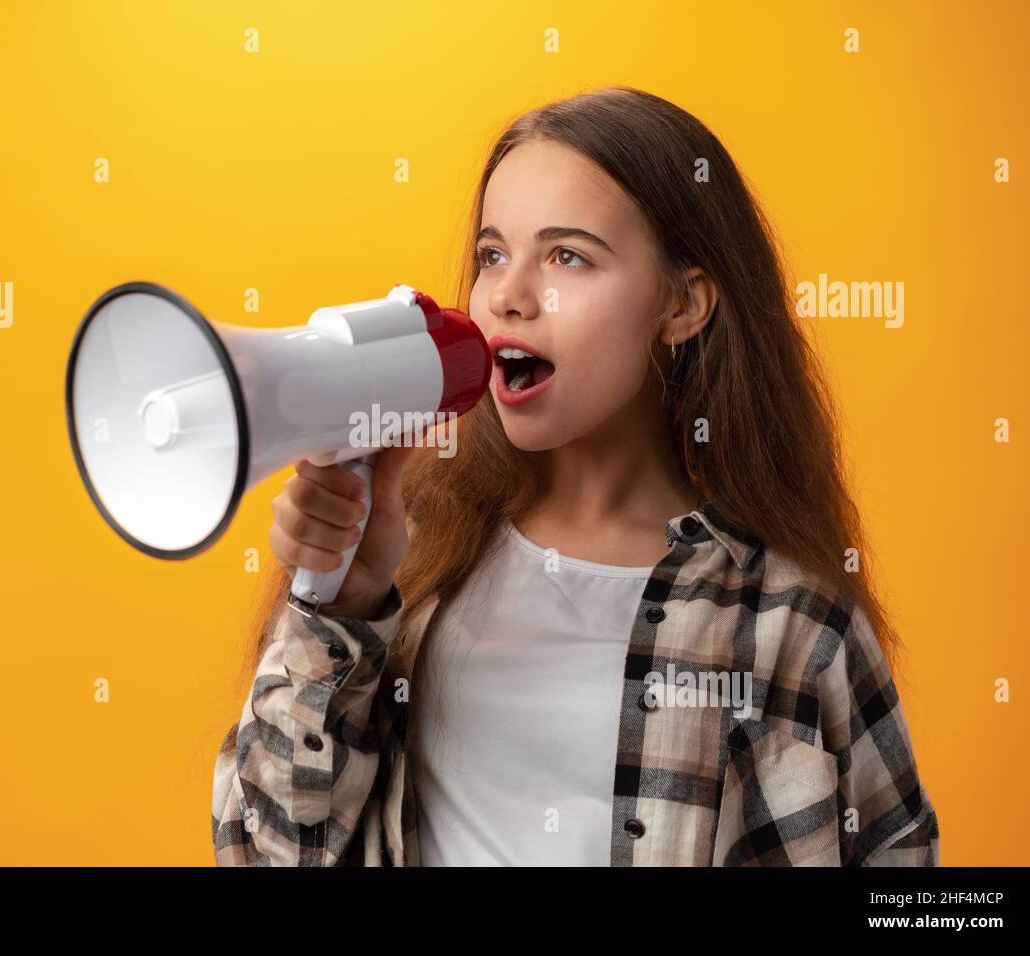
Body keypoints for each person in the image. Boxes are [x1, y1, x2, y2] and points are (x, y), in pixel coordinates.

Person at [210, 85, 940, 866]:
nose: (509, 297)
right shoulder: (414, 562)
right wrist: (339, 603)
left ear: (683, 304)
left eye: (567, 256)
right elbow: (263, 852)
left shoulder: (794, 622)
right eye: (493, 254)